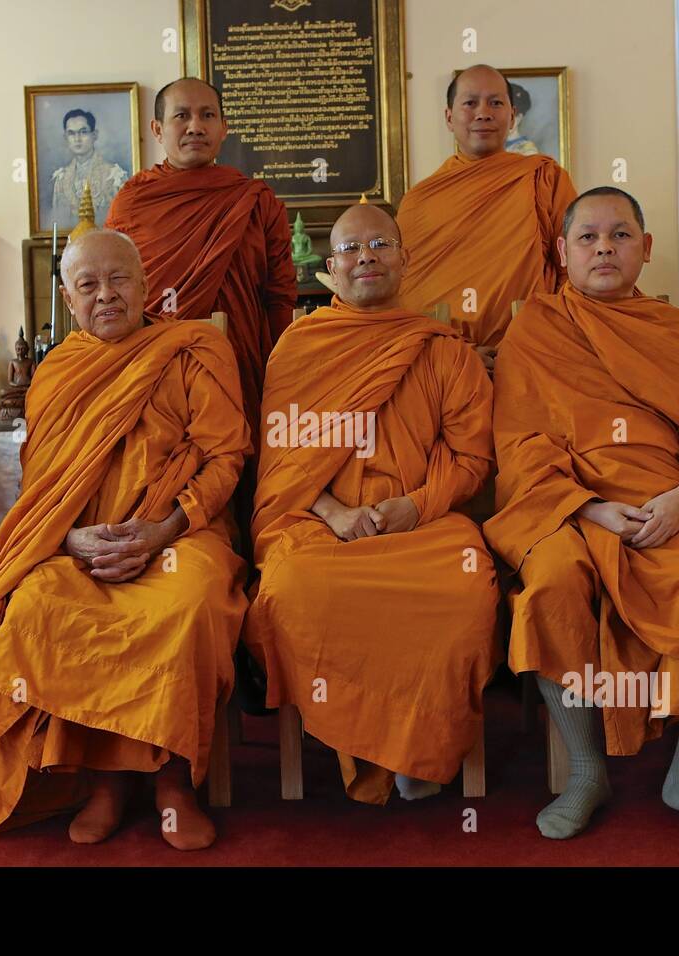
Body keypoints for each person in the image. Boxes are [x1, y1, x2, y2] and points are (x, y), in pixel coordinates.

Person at [486, 186, 679, 841]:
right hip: (568, 504)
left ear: (646, 248)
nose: (605, 247)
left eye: (621, 235)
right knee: (551, 586)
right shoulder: (538, 328)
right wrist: (593, 508)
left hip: (674, 497)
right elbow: (519, 445)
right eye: (589, 237)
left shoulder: (677, 330)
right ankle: (585, 772)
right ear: (562, 252)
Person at [0, 229, 251, 849]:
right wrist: (73, 538)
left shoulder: (193, 348)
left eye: (119, 280)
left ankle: (172, 782)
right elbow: (45, 485)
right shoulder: (58, 370)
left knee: (187, 604)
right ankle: (102, 779)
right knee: (36, 603)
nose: (106, 295)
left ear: (145, 287)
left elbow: (227, 457)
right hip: (83, 542)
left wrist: (164, 528)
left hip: (181, 533)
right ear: (67, 296)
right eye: (88, 285)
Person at [244, 203, 499, 804]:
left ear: (405, 259)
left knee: (466, 590)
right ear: (331, 266)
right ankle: (356, 738)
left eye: (380, 245)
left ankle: (420, 741)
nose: (366, 258)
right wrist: (333, 513)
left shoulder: (442, 347)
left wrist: (417, 505)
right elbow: (280, 454)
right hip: (317, 521)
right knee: (294, 589)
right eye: (352, 249)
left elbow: (473, 458)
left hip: (423, 525)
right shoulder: (300, 345)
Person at [106, 77, 295, 436]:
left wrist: (281, 370)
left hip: (241, 363)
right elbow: (117, 290)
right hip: (159, 367)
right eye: (182, 116)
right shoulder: (132, 203)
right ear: (158, 129)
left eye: (207, 115)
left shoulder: (255, 199)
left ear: (224, 128)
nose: (195, 126)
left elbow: (280, 293)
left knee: (236, 468)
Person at [396, 64, 576, 369]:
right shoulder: (419, 202)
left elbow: (573, 271)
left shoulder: (544, 179)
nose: (483, 113)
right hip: (443, 362)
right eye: (470, 103)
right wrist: (455, 352)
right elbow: (407, 294)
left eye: (496, 103)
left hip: (535, 354)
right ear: (449, 117)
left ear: (512, 115)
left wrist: (538, 338)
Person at [50, 108, 128, 229]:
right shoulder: (61, 179)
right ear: (66, 138)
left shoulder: (114, 175)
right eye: (71, 133)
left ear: (94, 135)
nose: (77, 139)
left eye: (83, 132)